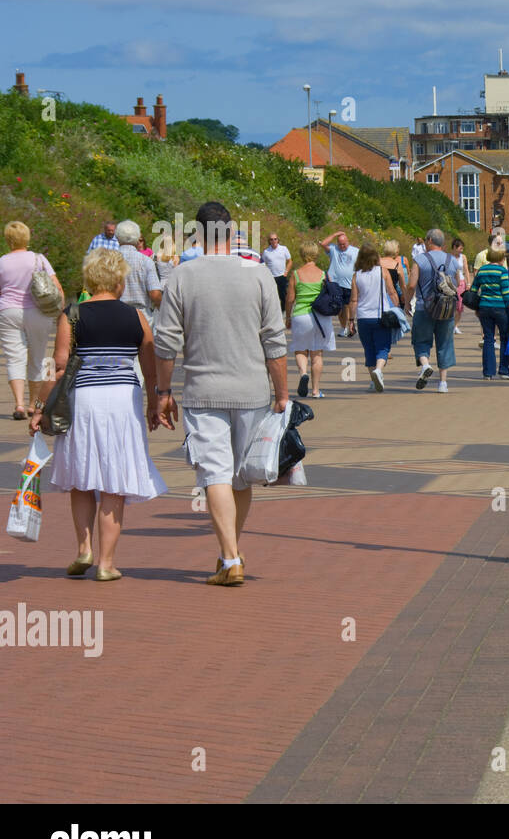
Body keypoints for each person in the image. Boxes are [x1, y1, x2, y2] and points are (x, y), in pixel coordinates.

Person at [152, 200, 288, 587]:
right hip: (252, 391)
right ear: (232, 234)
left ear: (197, 235)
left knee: (215, 474)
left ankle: (230, 556)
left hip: (202, 391)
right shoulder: (259, 273)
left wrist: (163, 391)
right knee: (241, 478)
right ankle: (230, 554)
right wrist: (282, 394)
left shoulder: (182, 275)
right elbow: (274, 342)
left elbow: (166, 344)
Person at [27, 248, 166, 581]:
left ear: (90, 279)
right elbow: (150, 366)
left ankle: (84, 548)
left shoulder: (72, 314)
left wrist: (40, 407)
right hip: (122, 400)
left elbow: (59, 367)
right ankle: (106, 563)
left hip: (84, 400)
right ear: (119, 280)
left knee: (82, 477)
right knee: (114, 482)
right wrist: (154, 404)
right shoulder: (136, 316)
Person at [1, 220, 63, 419]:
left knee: (14, 358)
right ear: (27, 237)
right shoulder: (39, 259)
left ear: (7, 239)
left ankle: (18, 404)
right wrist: (60, 312)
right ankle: (33, 404)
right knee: (38, 358)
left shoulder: (2, 261)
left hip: (9, 312)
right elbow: (56, 287)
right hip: (38, 312)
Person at [407, 229, 457, 393]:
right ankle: (443, 383)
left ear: (429, 240)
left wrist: (407, 303)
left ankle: (426, 365)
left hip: (424, 307)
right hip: (446, 308)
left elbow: (412, 285)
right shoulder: (452, 260)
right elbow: (456, 285)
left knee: (420, 340)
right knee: (445, 343)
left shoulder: (420, 260)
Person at [348, 244, 402, 393]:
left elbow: (353, 300)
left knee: (369, 349)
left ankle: (373, 380)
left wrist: (351, 321)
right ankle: (378, 370)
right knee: (383, 347)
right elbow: (391, 292)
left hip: (363, 318)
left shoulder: (356, 275)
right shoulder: (382, 271)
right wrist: (397, 308)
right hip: (381, 316)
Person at [284, 242, 333, 398]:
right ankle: (316, 390)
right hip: (320, 316)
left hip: (301, 315)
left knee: (300, 349)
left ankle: (303, 373)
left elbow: (290, 298)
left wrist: (288, 317)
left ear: (302, 254)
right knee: (317, 353)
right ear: (316, 254)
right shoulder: (323, 274)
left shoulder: (296, 274)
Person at [471, 245, 509, 380]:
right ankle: (504, 370)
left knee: (488, 339)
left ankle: (488, 372)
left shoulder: (481, 270)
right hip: (500, 308)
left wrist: (477, 308)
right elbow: (506, 293)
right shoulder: (502, 271)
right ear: (500, 257)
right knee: (504, 337)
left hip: (484, 308)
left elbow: (474, 290)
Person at [113, 220, 162, 324]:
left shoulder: (109, 261)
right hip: (142, 316)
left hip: (116, 314)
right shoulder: (146, 261)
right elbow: (155, 294)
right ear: (137, 238)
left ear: (117, 237)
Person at [320, 230, 359, 337]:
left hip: (349, 283)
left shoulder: (355, 251)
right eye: (340, 244)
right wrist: (335, 234)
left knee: (348, 306)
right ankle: (343, 327)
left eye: (344, 244)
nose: (342, 246)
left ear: (348, 242)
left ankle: (350, 325)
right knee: (339, 308)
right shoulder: (333, 249)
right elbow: (323, 244)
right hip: (335, 283)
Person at [261, 232, 293, 311]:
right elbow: (262, 264)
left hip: (282, 276)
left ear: (278, 240)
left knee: (283, 296)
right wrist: (266, 274)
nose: (274, 241)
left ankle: (283, 312)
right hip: (271, 277)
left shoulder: (284, 249)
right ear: (269, 241)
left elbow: (290, 261)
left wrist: (286, 272)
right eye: (271, 239)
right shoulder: (266, 252)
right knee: (271, 297)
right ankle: (273, 312)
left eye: (275, 239)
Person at [379, 239, 407, 312]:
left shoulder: (378, 262)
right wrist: (405, 297)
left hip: (378, 294)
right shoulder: (397, 265)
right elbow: (403, 285)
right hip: (392, 294)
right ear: (396, 251)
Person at [449, 236, 468, 335]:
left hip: (461, 282)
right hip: (451, 283)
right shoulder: (448, 257)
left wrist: (468, 282)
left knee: (460, 306)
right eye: (460, 248)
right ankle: (450, 325)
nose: (461, 250)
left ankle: (455, 326)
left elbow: (466, 270)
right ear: (455, 247)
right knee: (451, 305)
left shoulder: (463, 257)